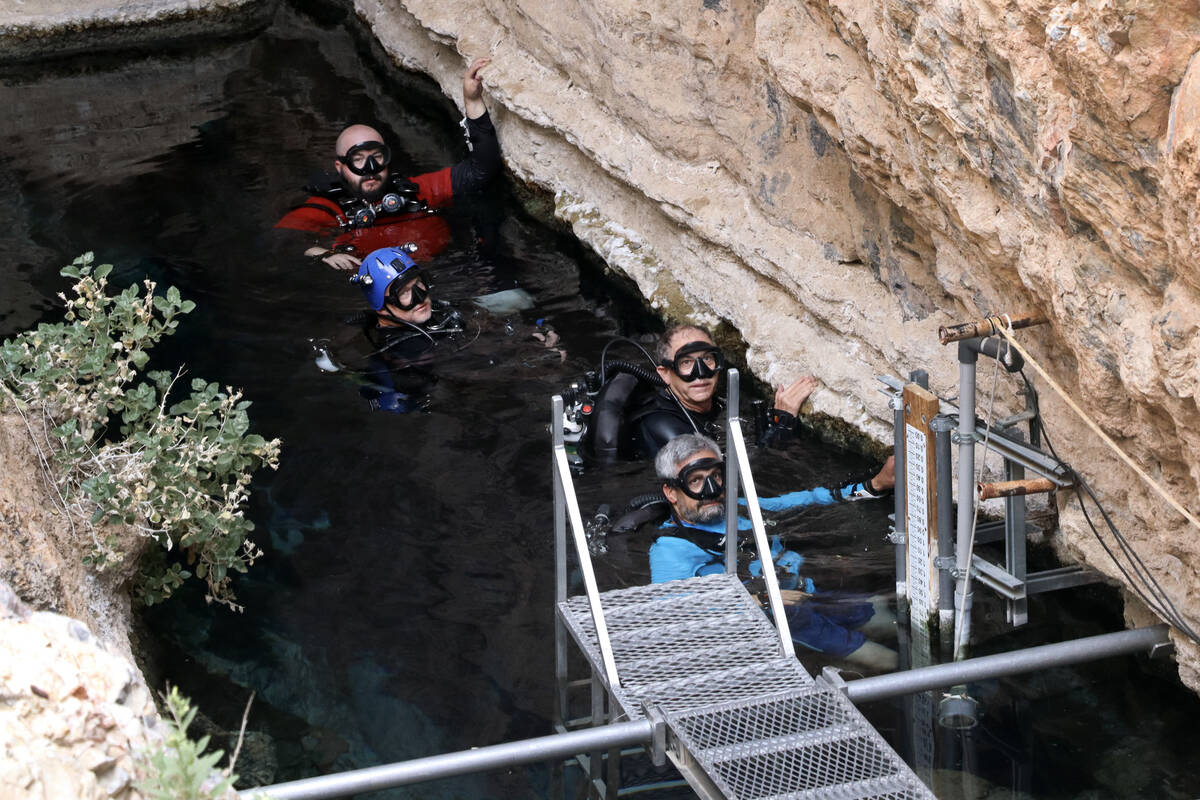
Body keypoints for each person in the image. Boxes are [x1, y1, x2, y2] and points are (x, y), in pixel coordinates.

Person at [650, 433, 898, 671]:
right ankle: (832, 666)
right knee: (889, 661)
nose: (711, 490)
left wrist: (875, 485)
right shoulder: (670, 550)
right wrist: (761, 600)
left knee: (891, 625)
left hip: (810, 593)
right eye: (695, 481)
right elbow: (675, 615)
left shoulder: (742, 507)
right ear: (671, 492)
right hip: (784, 621)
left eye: (715, 476)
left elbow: (809, 499)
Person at [276, 58, 500, 271]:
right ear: (340, 167)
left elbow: (481, 171)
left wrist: (472, 101)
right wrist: (320, 253)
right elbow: (281, 241)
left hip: (437, 271)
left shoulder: (417, 192)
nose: (370, 169)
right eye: (358, 159)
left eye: (376, 157)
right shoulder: (329, 210)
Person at [315, 245, 561, 413]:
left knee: (520, 297)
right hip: (446, 386)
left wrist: (534, 328)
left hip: (458, 334)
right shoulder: (406, 349)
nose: (420, 297)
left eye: (419, 284)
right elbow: (468, 372)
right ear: (381, 305)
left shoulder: (430, 312)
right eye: (405, 293)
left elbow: (478, 319)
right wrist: (530, 365)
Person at [629, 324, 820, 458]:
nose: (701, 373)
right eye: (686, 362)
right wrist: (783, 423)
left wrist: (775, 423)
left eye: (707, 359)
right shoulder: (664, 428)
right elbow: (725, 482)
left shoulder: (722, 402)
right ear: (665, 374)